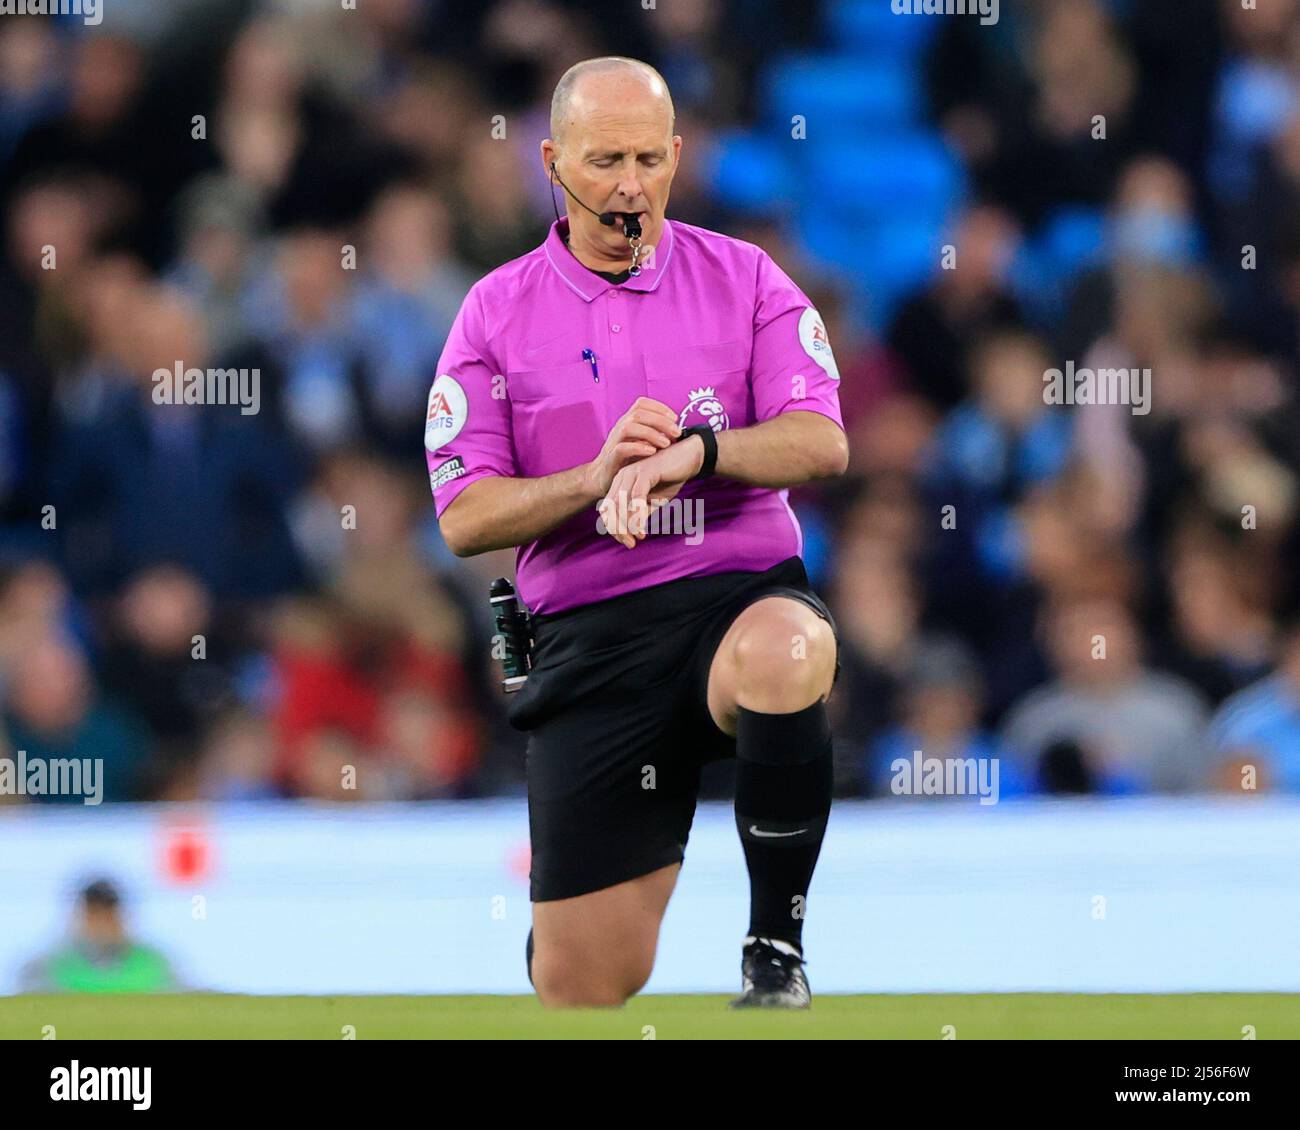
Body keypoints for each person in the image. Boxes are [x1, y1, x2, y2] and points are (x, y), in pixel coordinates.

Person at [426, 57, 847, 1007]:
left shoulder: (745, 277)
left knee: (791, 649)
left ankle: (775, 950)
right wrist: (594, 477)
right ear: (553, 162)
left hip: (733, 596)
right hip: (591, 637)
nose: (630, 184)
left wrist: (697, 453)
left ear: (677, 158)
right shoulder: (492, 311)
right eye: (606, 158)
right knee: (587, 986)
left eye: (650, 159)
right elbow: (465, 516)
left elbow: (822, 441)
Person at [17, 878, 181, 994]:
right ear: (79, 916)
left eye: (108, 914)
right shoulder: (47, 965)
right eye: (94, 913)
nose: (102, 923)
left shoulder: (154, 962)